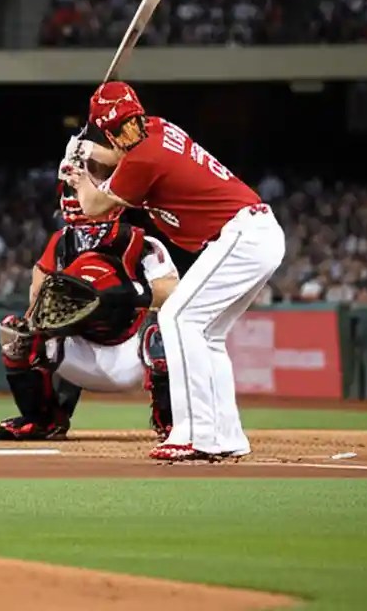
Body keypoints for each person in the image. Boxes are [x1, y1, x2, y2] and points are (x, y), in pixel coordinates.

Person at [61, 81, 284, 461]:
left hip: (241, 236)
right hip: (253, 234)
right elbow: (119, 159)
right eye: (119, 126)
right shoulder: (158, 129)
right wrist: (85, 151)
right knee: (207, 334)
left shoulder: (145, 159)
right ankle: (225, 435)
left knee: (178, 316)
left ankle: (193, 434)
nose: (125, 131)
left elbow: (94, 206)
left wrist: (78, 172)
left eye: (126, 124)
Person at [0, 166, 177, 442]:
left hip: (131, 356)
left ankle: (172, 423)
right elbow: (37, 305)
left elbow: (172, 293)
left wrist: (127, 295)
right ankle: (42, 420)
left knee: (163, 329)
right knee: (17, 334)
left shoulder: (142, 243)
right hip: (80, 354)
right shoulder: (59, 244)